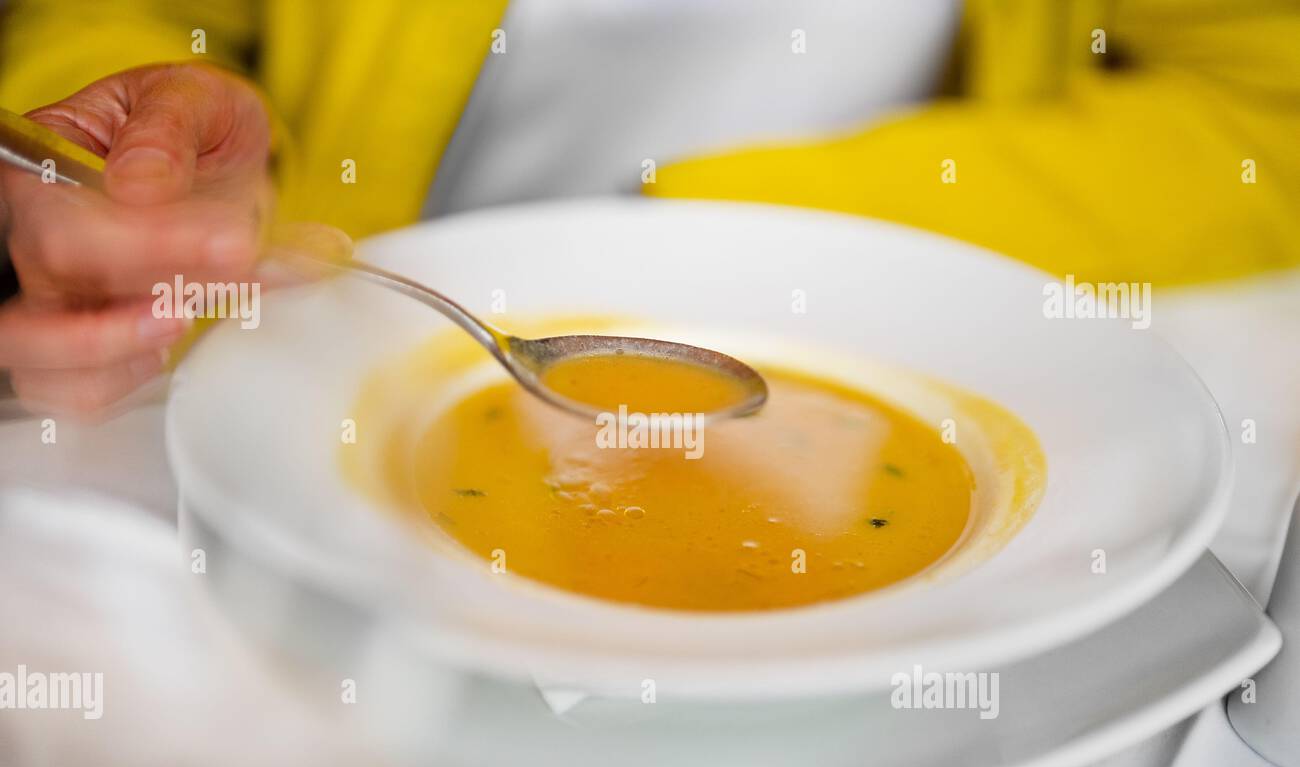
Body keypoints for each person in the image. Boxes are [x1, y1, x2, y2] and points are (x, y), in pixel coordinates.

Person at [0, 0, 1296, 417]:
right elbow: (100, 21)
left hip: (860, 364)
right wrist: (124, 134)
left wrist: (738, 227)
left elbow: (1273, 100)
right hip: (301, 365)